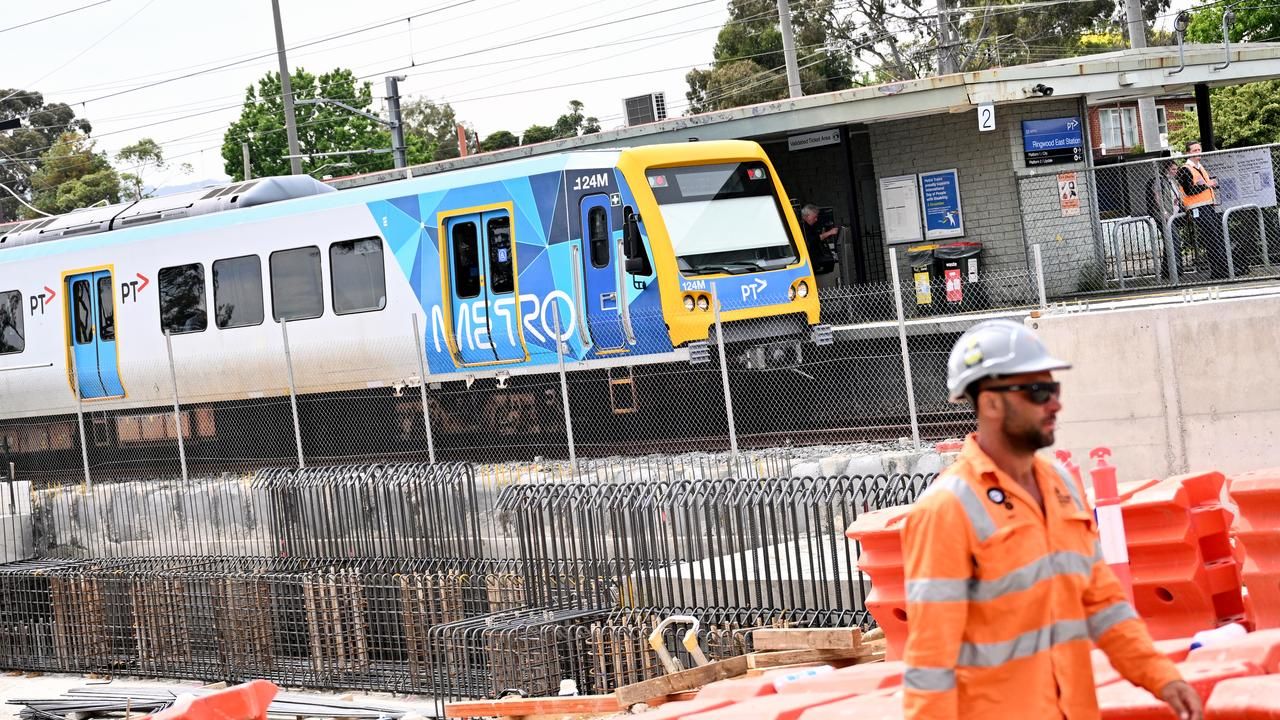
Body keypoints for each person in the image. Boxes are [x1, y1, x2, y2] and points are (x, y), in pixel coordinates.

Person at [901, 319, 1202, 720]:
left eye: (1053, 389)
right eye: (1039, 392)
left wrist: (1162, 676)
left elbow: (1104, 604)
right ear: (990, 402)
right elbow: (930, 662)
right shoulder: (947, 509)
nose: (1055, 403)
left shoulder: (1060, 486)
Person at [1175, 141, 1229, 279]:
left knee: (1215, 238)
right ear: (1188, 153)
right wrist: (1207, 185)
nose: (1198, 152)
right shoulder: (1184, 169)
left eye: (1199, 149)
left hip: (1208, 206)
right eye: (1194, 150)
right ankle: (1219, 270)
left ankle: (1220, 270)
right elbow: (1188, 191)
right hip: (1197, 208)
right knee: (1211, 238)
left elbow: (1202, 185)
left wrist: (1209, 185)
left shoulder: (1199, 167)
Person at [798, 204, 838, 275]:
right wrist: (829, 233)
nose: (816, 220)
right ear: (808, 216)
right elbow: (812, 240)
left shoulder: (809, 226)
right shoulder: (802, 227)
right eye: (815, 217)